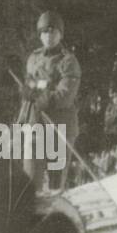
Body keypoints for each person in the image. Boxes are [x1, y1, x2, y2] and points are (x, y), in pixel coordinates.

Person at [19, 11, 81, 192]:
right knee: (30, 184)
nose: (49, 36)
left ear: (60, 34)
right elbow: (30, 84)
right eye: (45, 32)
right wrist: (26, 91)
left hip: (60, 128)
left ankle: (56, 217)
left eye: (53, 32)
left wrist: (43, 97)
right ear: (40, 35)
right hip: (35, 125)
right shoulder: (33, 59)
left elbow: (65, 95)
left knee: (56, 186)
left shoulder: (68, 61)